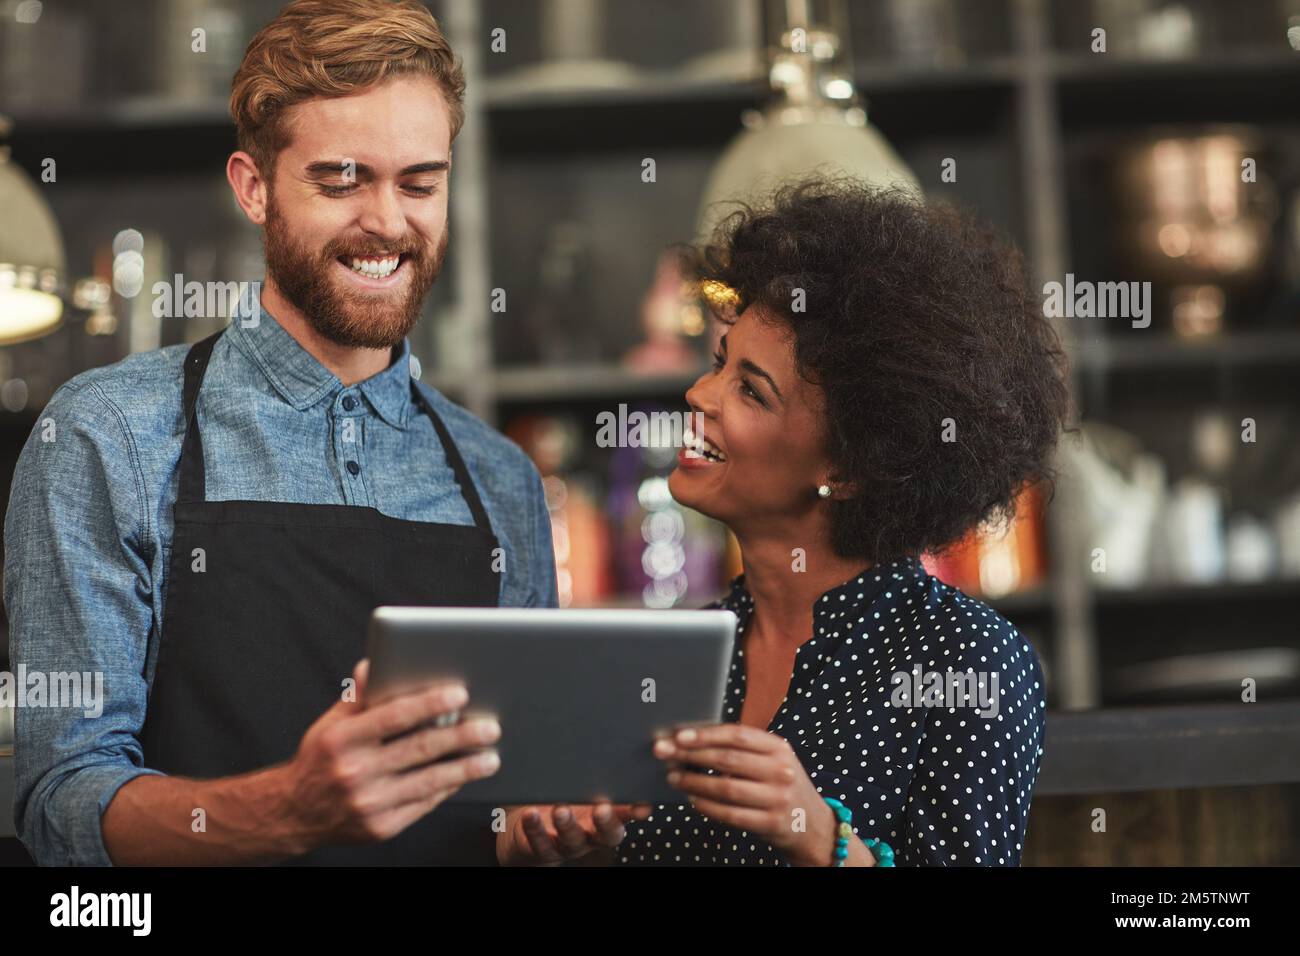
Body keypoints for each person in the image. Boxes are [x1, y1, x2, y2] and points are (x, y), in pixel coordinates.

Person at [5, 0, 581, 866]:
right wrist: (290, 809)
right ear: (254, 187)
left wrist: (542, 830)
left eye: (420, 182)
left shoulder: (500, 478)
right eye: (343, 180)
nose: (388, 222)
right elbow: (59, 799)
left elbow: (504, 800)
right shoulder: (110, 435)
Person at [500, 178, 1070, 866]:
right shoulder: (678, 656)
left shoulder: (968, 659)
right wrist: (550, 846)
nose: (698, 394)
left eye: (750, 389)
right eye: (720, 363)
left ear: (852, 466)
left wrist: (818, 834)